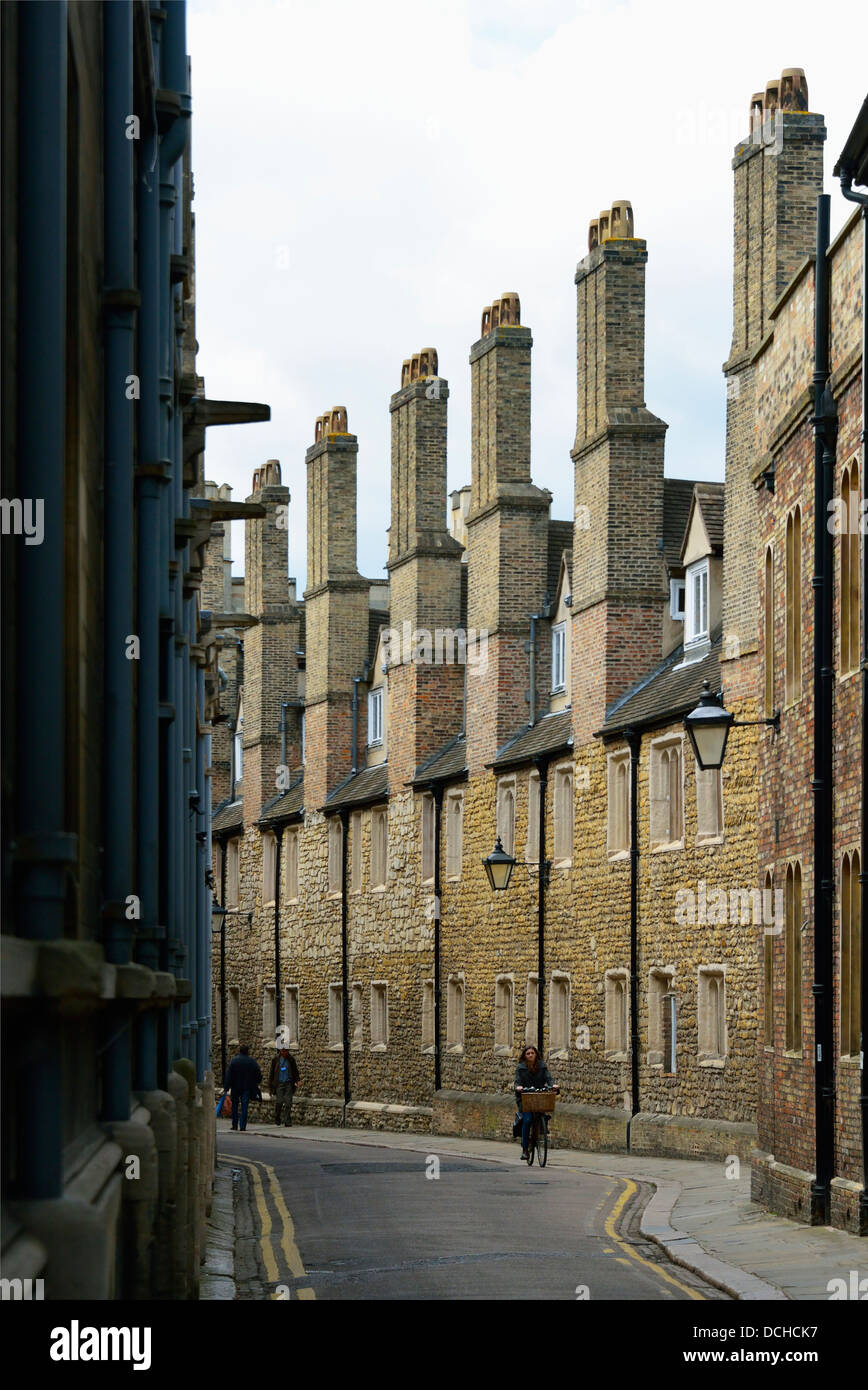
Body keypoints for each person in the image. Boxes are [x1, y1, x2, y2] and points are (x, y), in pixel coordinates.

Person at [514, 1043, 556, 1161]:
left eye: (532, 1053)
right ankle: (525, 1149)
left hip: (539, 1097)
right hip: (525, 1098)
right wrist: (518, 1087)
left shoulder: (542, 1066)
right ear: (525, 1056)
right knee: (527, 1120)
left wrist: (553, 1085)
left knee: (541, 1116)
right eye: (528, 1054)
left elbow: (549, 1078)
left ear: (536, 1055)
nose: (530, 1055)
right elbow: (517, 1082)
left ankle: (539, 1134)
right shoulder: (521, 1068)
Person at [223, 1045, 262, 1132]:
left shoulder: (234, 1061)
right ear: (247, 1051)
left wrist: (226, 1087)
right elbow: (258, 1075)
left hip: (235, 1087)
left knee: (235, 1105)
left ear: (239, 1051)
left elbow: (229, 1075)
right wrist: (256, 1082)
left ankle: (234, 1125)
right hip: (247, 1087)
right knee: (245, 1106)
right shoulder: (252, 1062)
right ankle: (243, 1126)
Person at [268, 1046, 300, 1127]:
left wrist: (298, 1080)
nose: (284, 1053)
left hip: (288, 1083)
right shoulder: (275, 1059)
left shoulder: (291, 1059)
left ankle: (287, 1120)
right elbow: (271, 1073)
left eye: (286, 1051)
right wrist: (270, 1086)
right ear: (280, 1051)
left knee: (288, 1103)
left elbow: (295, 1071)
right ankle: (277, 1117)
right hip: (279, 1084)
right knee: (279, 1102)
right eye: (283, 1051)